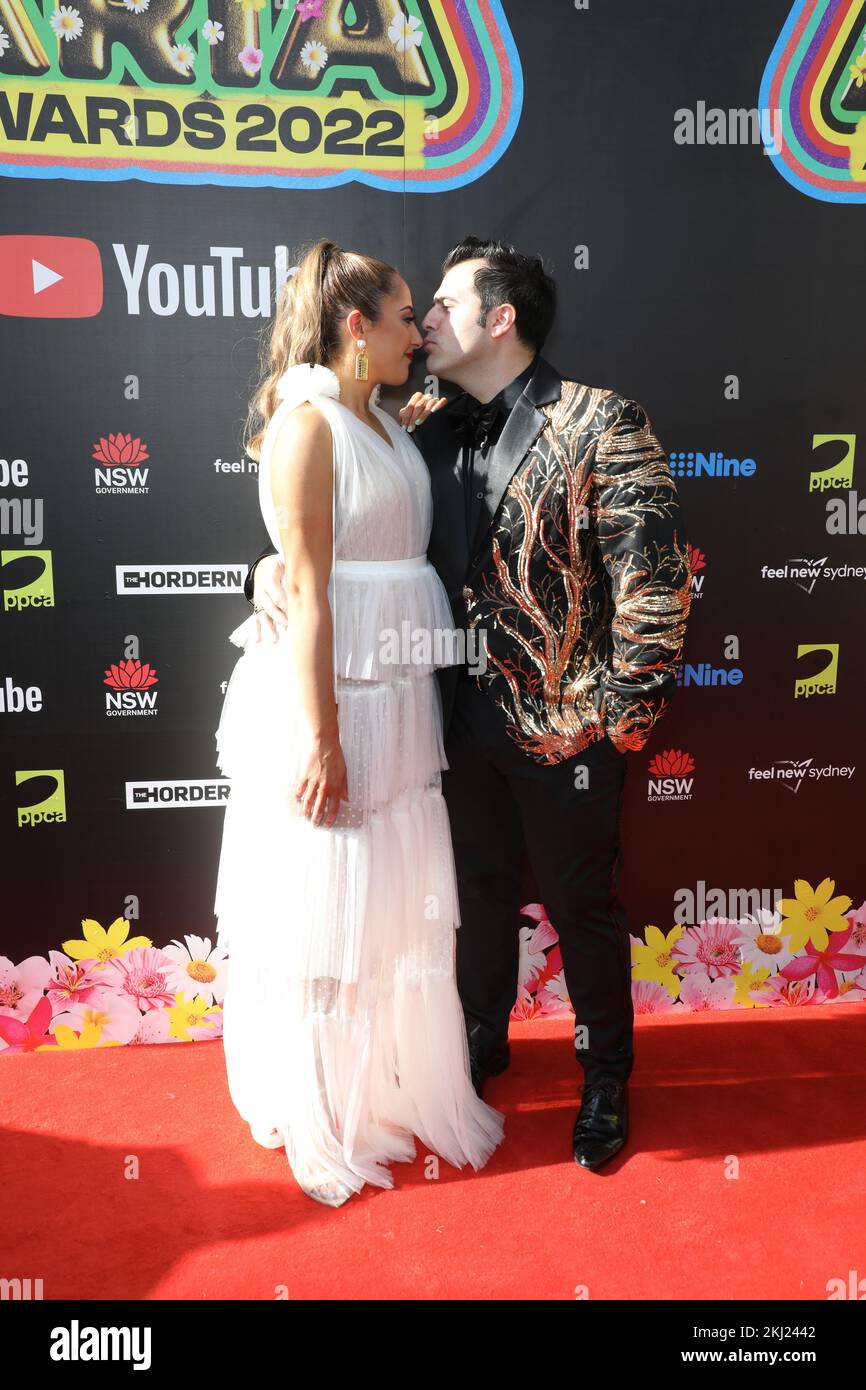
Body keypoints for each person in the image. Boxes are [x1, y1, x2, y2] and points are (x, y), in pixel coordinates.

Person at [246, 236, 693, 1172]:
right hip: (444, 721)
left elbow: (654, 584)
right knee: (477, 899)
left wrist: (618, 723)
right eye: (418, 313)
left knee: (583, 906)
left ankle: (606, 1071)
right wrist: (271, 565)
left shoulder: (602, 421)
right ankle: (479, 1042)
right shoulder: (421, 425)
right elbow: (348, 532)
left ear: (501, 320)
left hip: (571, 725)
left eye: (442, 307)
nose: (428, 326)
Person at [213, 239, 506, 1207]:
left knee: (388, 900)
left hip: (395, 698)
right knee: (324, 904)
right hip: (327, 702)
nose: (416, 338)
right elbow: (303, 583)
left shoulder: (377, 419)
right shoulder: (304, 427)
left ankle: (379, 1080)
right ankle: (320, 1105)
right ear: (354, 326)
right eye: (400, 317)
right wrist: (322, 736)